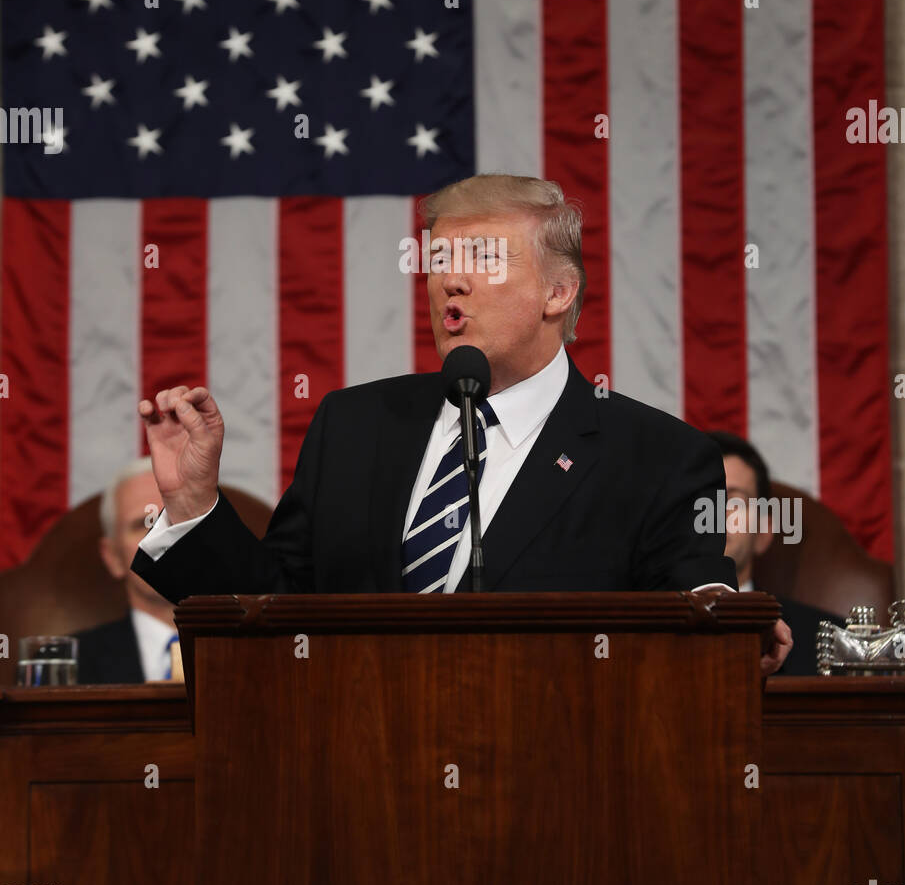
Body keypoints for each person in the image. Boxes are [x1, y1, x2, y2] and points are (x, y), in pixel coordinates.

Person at [131, 174, 791, 674]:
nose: (449, 282)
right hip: (350, 787)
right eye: (439, 261)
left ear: (557, 293)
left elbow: (693, 594)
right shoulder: (355, 426)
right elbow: (272, 614)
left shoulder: (656, 456)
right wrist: (192, 503)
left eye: (481, 261)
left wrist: (733, 623)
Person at [707, 431, 843, 674]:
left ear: (763, 532)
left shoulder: (829, 644)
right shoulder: (634, 632)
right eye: (699, 500)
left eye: (733, 500)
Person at [75, 458, 178, 683]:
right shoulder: (66, 665)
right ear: (113, 557)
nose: (162, 538)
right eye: (143, 524)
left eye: (176, 519)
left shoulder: (262, 652)